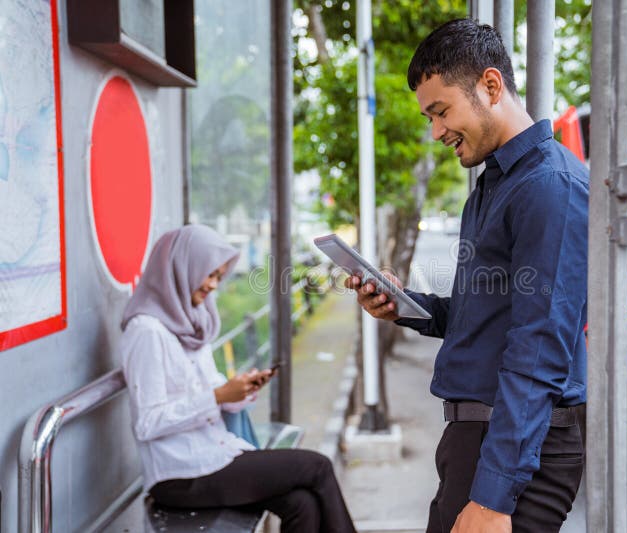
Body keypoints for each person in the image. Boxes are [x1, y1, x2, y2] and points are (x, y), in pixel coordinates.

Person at [347, 19, 589, 533]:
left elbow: (539, 349)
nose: (435, 132)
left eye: (441, 111)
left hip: (520, 452)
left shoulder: (549, 187)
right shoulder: (494, 184)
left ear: (491, 86)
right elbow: (483, 316)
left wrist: (494, 497)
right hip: (481, 439)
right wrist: (405, 306)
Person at [120, 224, 356, 533]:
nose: (213, 285)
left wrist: (239, 391)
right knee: (318, 466)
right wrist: (217, 397)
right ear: (181, 268)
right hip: (180, 474)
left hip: (215, 453)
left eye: (218, 276)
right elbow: (148, 421)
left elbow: (213, 391)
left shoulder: (193, 322)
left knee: (302, 504)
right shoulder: (147, 331)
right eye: (209, 274)